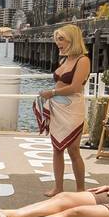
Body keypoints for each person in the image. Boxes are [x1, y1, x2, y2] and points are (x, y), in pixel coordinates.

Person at [37, 24, 91, 196]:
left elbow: (75, 87)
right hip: (57, 107)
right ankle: (58, 187)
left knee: (74, 149)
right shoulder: (64, 60)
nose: (58, 43)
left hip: (73, 108)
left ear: (72, 40)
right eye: (57, 39)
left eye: (61, 39)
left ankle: (81, 190)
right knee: (57, 149)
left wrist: (51, 93)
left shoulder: (83, 60)